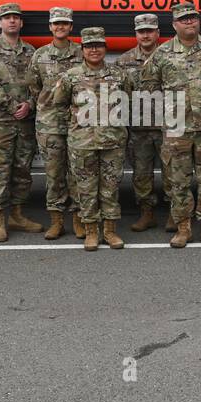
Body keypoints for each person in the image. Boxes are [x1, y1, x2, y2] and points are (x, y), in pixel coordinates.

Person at [139, 3, 201, 249]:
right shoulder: (162, 54)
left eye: (193, 18)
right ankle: (183, 227)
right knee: (178, 181)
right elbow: (148, 87)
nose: (190, 22)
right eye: (184, 20)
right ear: (174, 25)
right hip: (176, 129)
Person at [50, 28, 134, 250]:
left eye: (98, 45)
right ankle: (90, 231)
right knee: (85, 189)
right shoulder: (71, 76)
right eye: (89, 46)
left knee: (110, 188)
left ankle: (110, 231)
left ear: (105, 48)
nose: (94, 49)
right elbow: (59, 103)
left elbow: (128, 101)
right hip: (82, 142)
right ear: (82, 49)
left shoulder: (119, 75)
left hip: (113, 142)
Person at [0, 2, 42, 242]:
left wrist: (30, 105)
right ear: (0, 23)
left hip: (24, 122)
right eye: (7, 18)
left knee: (22, 171)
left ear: (21, 22)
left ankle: (17, 214)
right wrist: (14, 106)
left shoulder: (31, 52)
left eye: (16, 17)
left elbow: (38, 85)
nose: (12, 21)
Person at [28, 7, 81, 240]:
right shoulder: (39, 56)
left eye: (65, 23)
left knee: (78, 173)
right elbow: (34, 87)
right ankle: (57, 221)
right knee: (54, 174)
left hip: (79, 124)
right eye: (56, 23)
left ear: (71, 27)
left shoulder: (81, 53)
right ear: (50, 27)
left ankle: (79, 219)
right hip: (49, 124)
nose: (60, 27)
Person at [113, 13, 165, 231]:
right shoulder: (123, 61)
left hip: (167, 127)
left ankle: (176, 215)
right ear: (136, 34)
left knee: (175, 174)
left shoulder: (169, 57)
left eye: (150, 30)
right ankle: (147, 213)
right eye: (142, 31)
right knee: (141, 174)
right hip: (138, 129)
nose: (146, 35)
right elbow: (118, 96)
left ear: (157, 33)